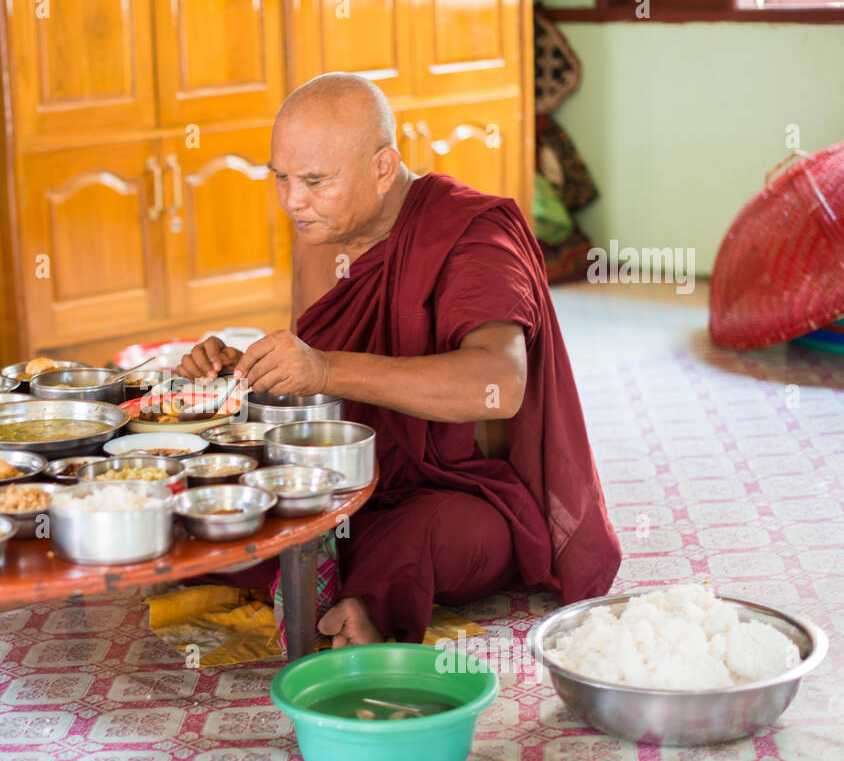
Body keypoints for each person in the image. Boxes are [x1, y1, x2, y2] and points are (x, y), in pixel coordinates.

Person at [178, 72, 620, 647]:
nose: (293, 201)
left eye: (315, 181)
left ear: (383, 168)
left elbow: (499, 383)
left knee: (424, 537)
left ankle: (359, 603)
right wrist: (245, 372)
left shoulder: (475, 233)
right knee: (205, 505)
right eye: (281, 178)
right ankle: (326, 573)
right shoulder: (318, 231)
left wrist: (325, 367)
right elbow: (318, 378)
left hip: (461, 492)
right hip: (347, 478)